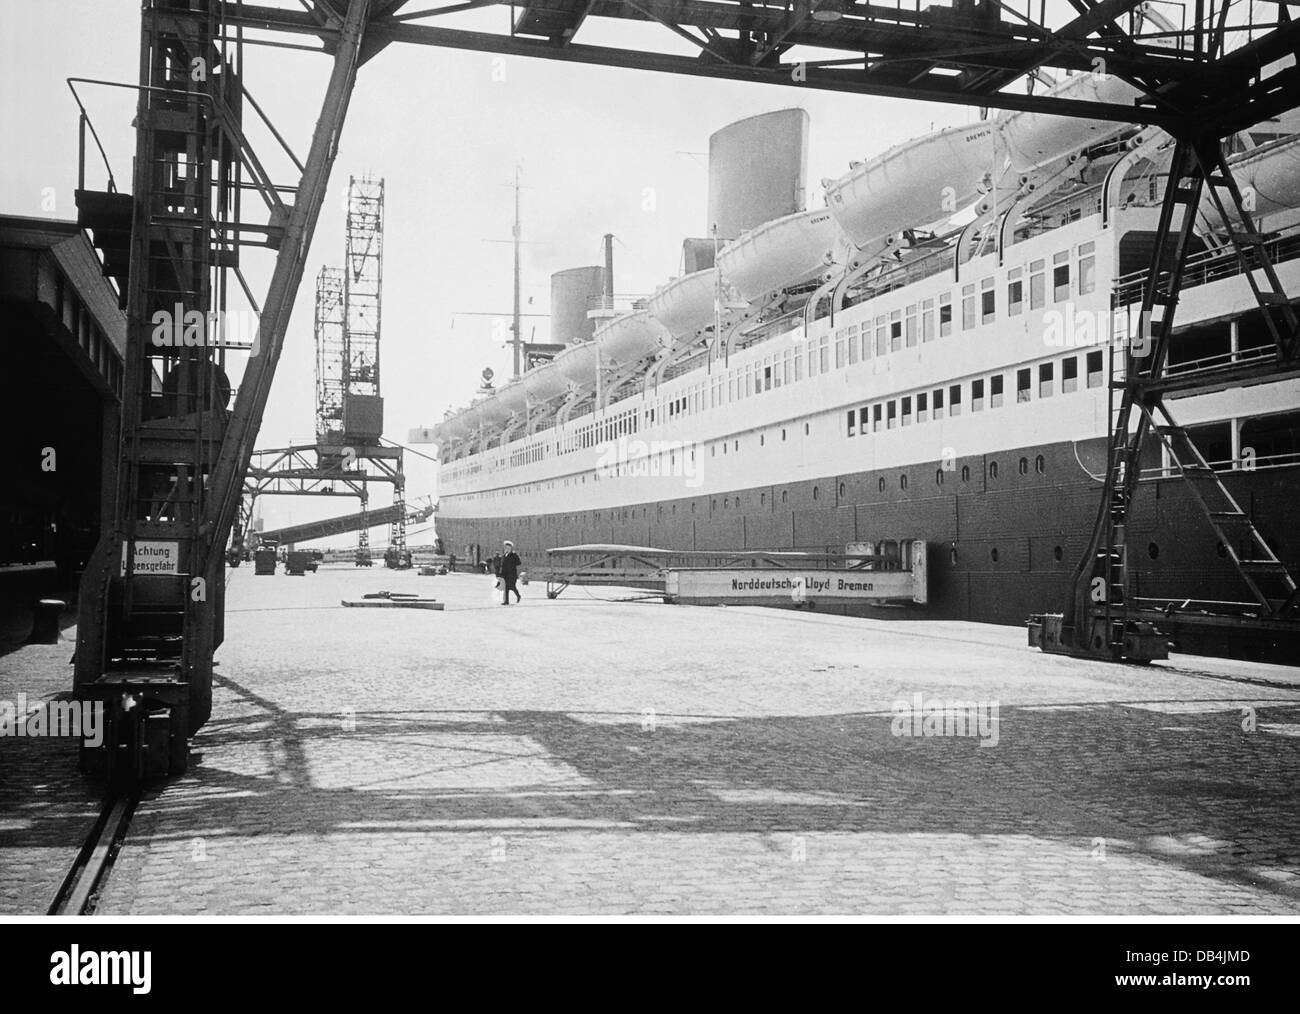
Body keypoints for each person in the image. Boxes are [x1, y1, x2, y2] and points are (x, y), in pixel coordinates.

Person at [499, 540, 522, 605]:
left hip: (512, 574)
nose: (507, 549)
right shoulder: (504, 555)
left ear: (511, 548)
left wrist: (512, 563)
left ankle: (518, 595)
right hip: (506, 574)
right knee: (506, 588)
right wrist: (501, 573)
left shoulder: (514, 555)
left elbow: (519, 563)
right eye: (506, 547)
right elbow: (502, 565)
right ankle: (506, 601)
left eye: (508, 547)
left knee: (512, 586)